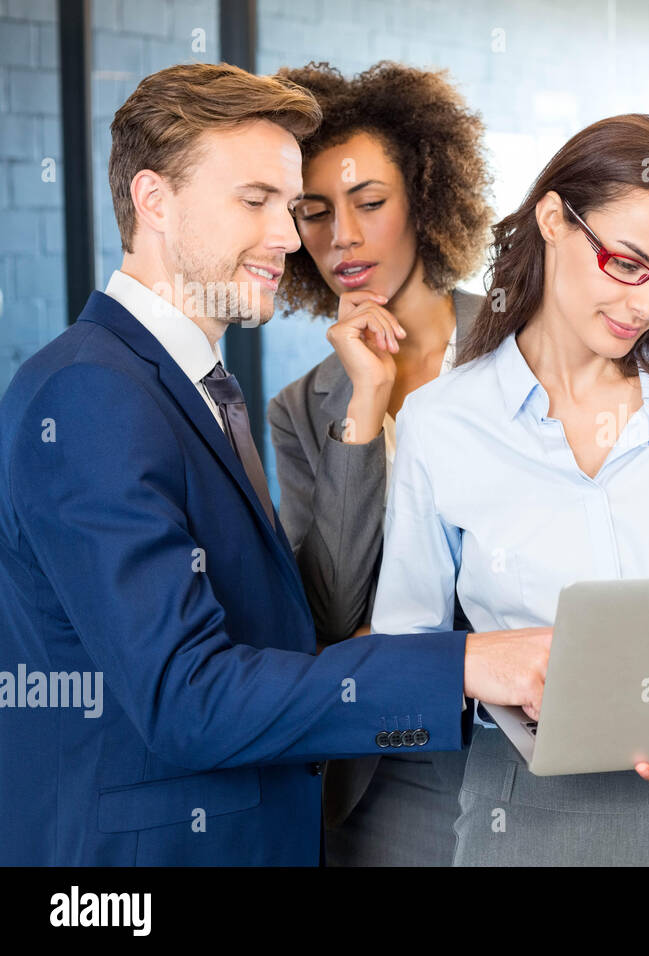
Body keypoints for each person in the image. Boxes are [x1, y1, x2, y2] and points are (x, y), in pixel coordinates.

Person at [0, 62, 548, 866]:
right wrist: (461, 663)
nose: (295, 240)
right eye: (255, 202)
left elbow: (275, 629)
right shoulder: (94, 392)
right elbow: (187, 698)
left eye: (288, 209)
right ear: (153, 201)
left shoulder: (186, 387)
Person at [371, 113, 649, 866]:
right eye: (626, 265)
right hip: (522, 812)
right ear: (554, 218)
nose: (644, 305)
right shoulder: (442, 420)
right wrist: (487, 665)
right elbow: (404, 656)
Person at [267, 62, 492, 867]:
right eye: (316, 214)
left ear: (425, 202)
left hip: (524, 743)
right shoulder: (303, 408)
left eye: (369, 204)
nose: (343, 239)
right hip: (386, 772)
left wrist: (394, 638)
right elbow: (328, 611)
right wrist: (365, 408)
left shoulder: (528, 343)